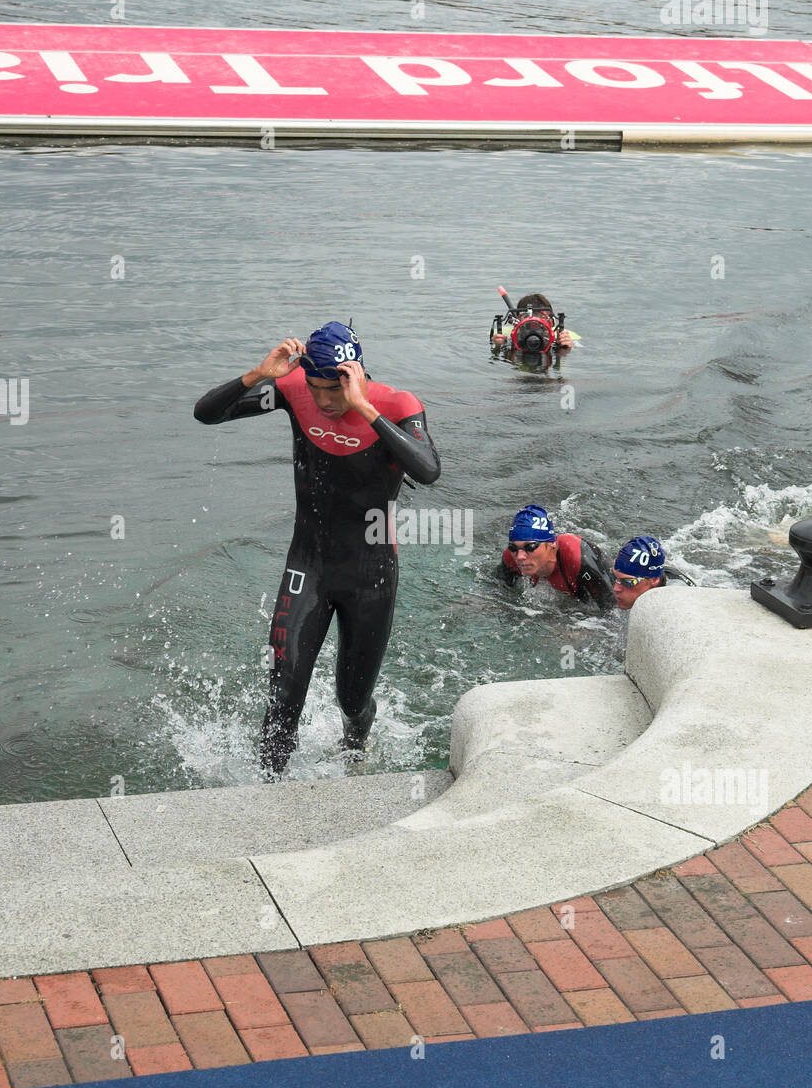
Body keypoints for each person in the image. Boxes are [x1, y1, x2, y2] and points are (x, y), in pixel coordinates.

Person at [193, 322, 441, 777]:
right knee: (284, 691)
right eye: (316, 388)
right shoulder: (293, 391)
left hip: (371, 576)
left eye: (334, 389)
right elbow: (206, 414)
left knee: (352, 698)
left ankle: (357, 745)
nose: (324, 401)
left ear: (355, 376)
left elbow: (427, 470)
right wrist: (256, 375)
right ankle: (268, 793)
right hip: (307, 565)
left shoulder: (396, 406)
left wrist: (363, 408)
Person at [496, 504, 615, 609]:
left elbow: (612, 611)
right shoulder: (511, 557)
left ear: (552, 544)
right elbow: (499, 594)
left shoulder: (576, 557)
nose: (520, 556)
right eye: (513, 547)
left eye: (530, 547)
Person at [611, 535, 696, 610]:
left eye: (627, 582)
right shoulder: (640, 578)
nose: (616, 588)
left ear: (654, 580)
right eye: (614, 576)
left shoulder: (676, 601)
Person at [490, 293, 577, 353]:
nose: (535, 329)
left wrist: (567, 348)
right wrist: (498, 346)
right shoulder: (505, 336)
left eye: (541, 323)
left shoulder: (565, 337)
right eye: (529, 324)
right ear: (516, 322)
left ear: (552, 322)